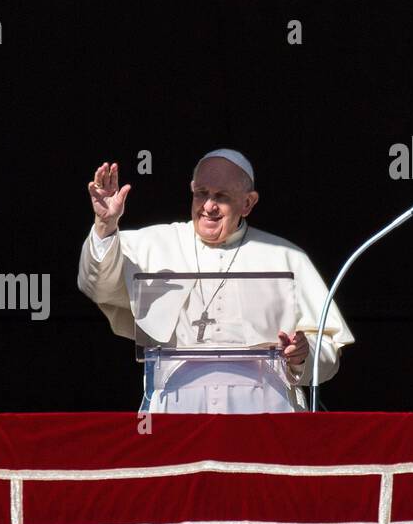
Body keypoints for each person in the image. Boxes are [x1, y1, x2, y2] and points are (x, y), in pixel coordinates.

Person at [77, 148, 354, 413]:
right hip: (177, 407)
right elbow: (97, 286)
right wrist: (105, 226)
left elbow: (328, 354)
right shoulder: (154, 244)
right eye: (201, 194)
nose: (209, 206)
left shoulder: (285, 256)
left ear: (248, 203)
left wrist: (302, 355)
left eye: (221, 197)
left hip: (264, 410)